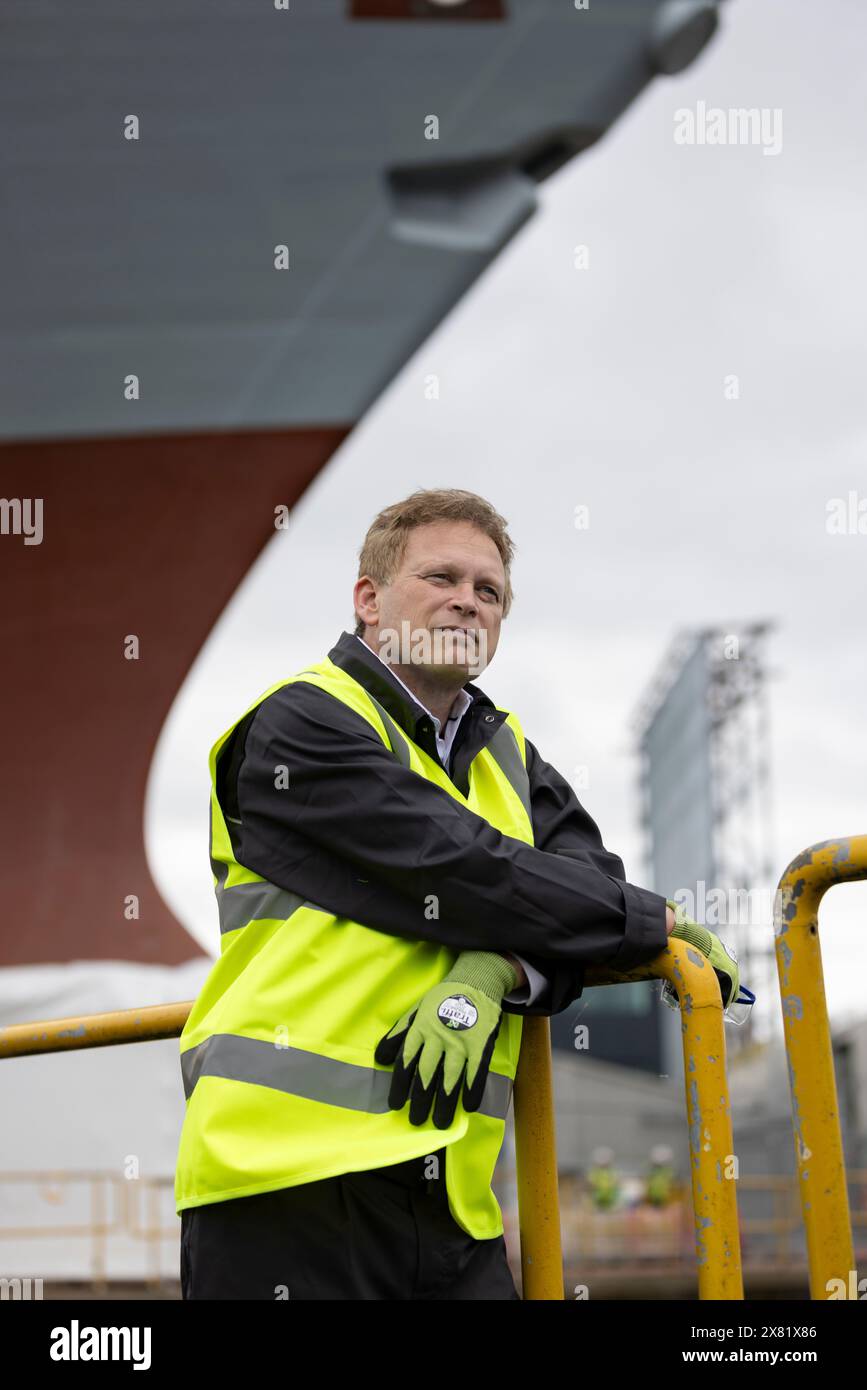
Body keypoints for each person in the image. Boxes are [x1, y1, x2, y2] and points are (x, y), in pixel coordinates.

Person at [175, 486, 683, 1301]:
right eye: (440, 577)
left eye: (489, 592)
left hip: (453, 1197)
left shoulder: (508, 753)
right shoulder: (300, 723)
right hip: (285, 1184)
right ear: (368, 602)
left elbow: (587, 893)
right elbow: (461, 868)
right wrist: (655, 921)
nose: (466, 601)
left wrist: (497, 973)